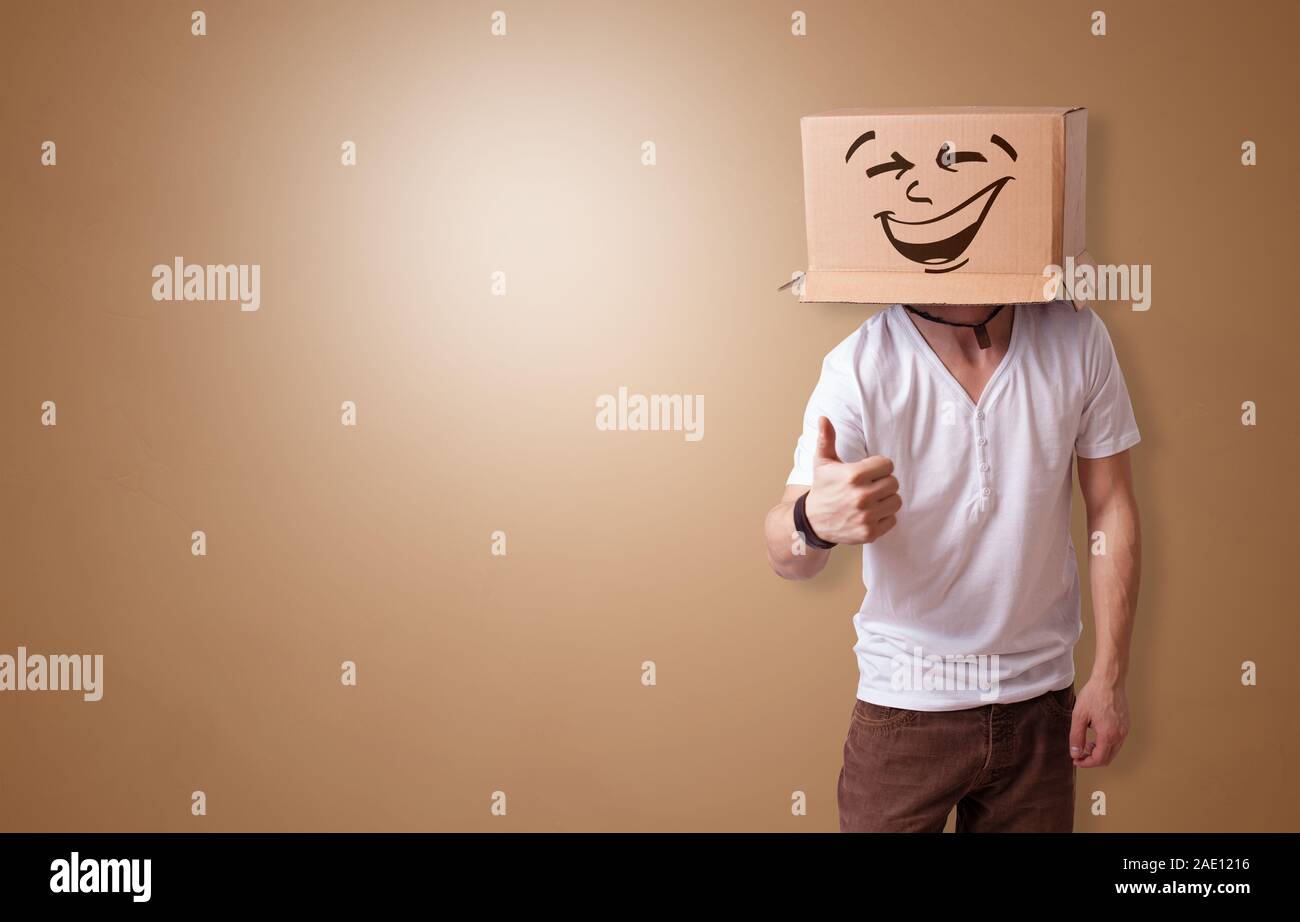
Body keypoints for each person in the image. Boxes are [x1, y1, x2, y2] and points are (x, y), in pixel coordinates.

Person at [764, 302, 1141, 832]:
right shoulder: (860, 364)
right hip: (906, 703)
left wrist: (1110, 676)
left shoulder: (1076, 336)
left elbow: (1111, 507)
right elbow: (789, 557)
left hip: (1040, 703)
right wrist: (811, 521)